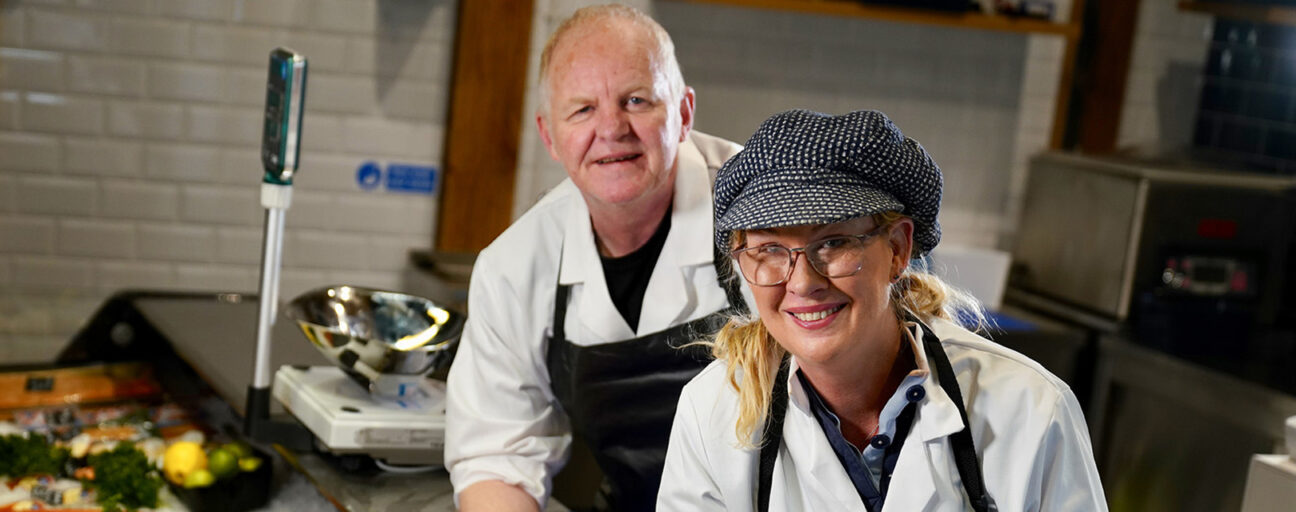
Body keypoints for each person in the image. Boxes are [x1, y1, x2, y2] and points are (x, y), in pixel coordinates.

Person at [657, 109, 1107, 511]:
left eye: (832, 243)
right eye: (770, 249)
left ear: (897, 249)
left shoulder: (1030, 410)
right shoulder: (710, 411)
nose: (802, 282)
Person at [444, 4, 747, 512]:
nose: (612, 128)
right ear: (549, 136)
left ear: (684, 112)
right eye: (582, 109)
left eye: (636, 100)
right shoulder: (515, 265)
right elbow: (496, 456)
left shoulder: (766, 215)